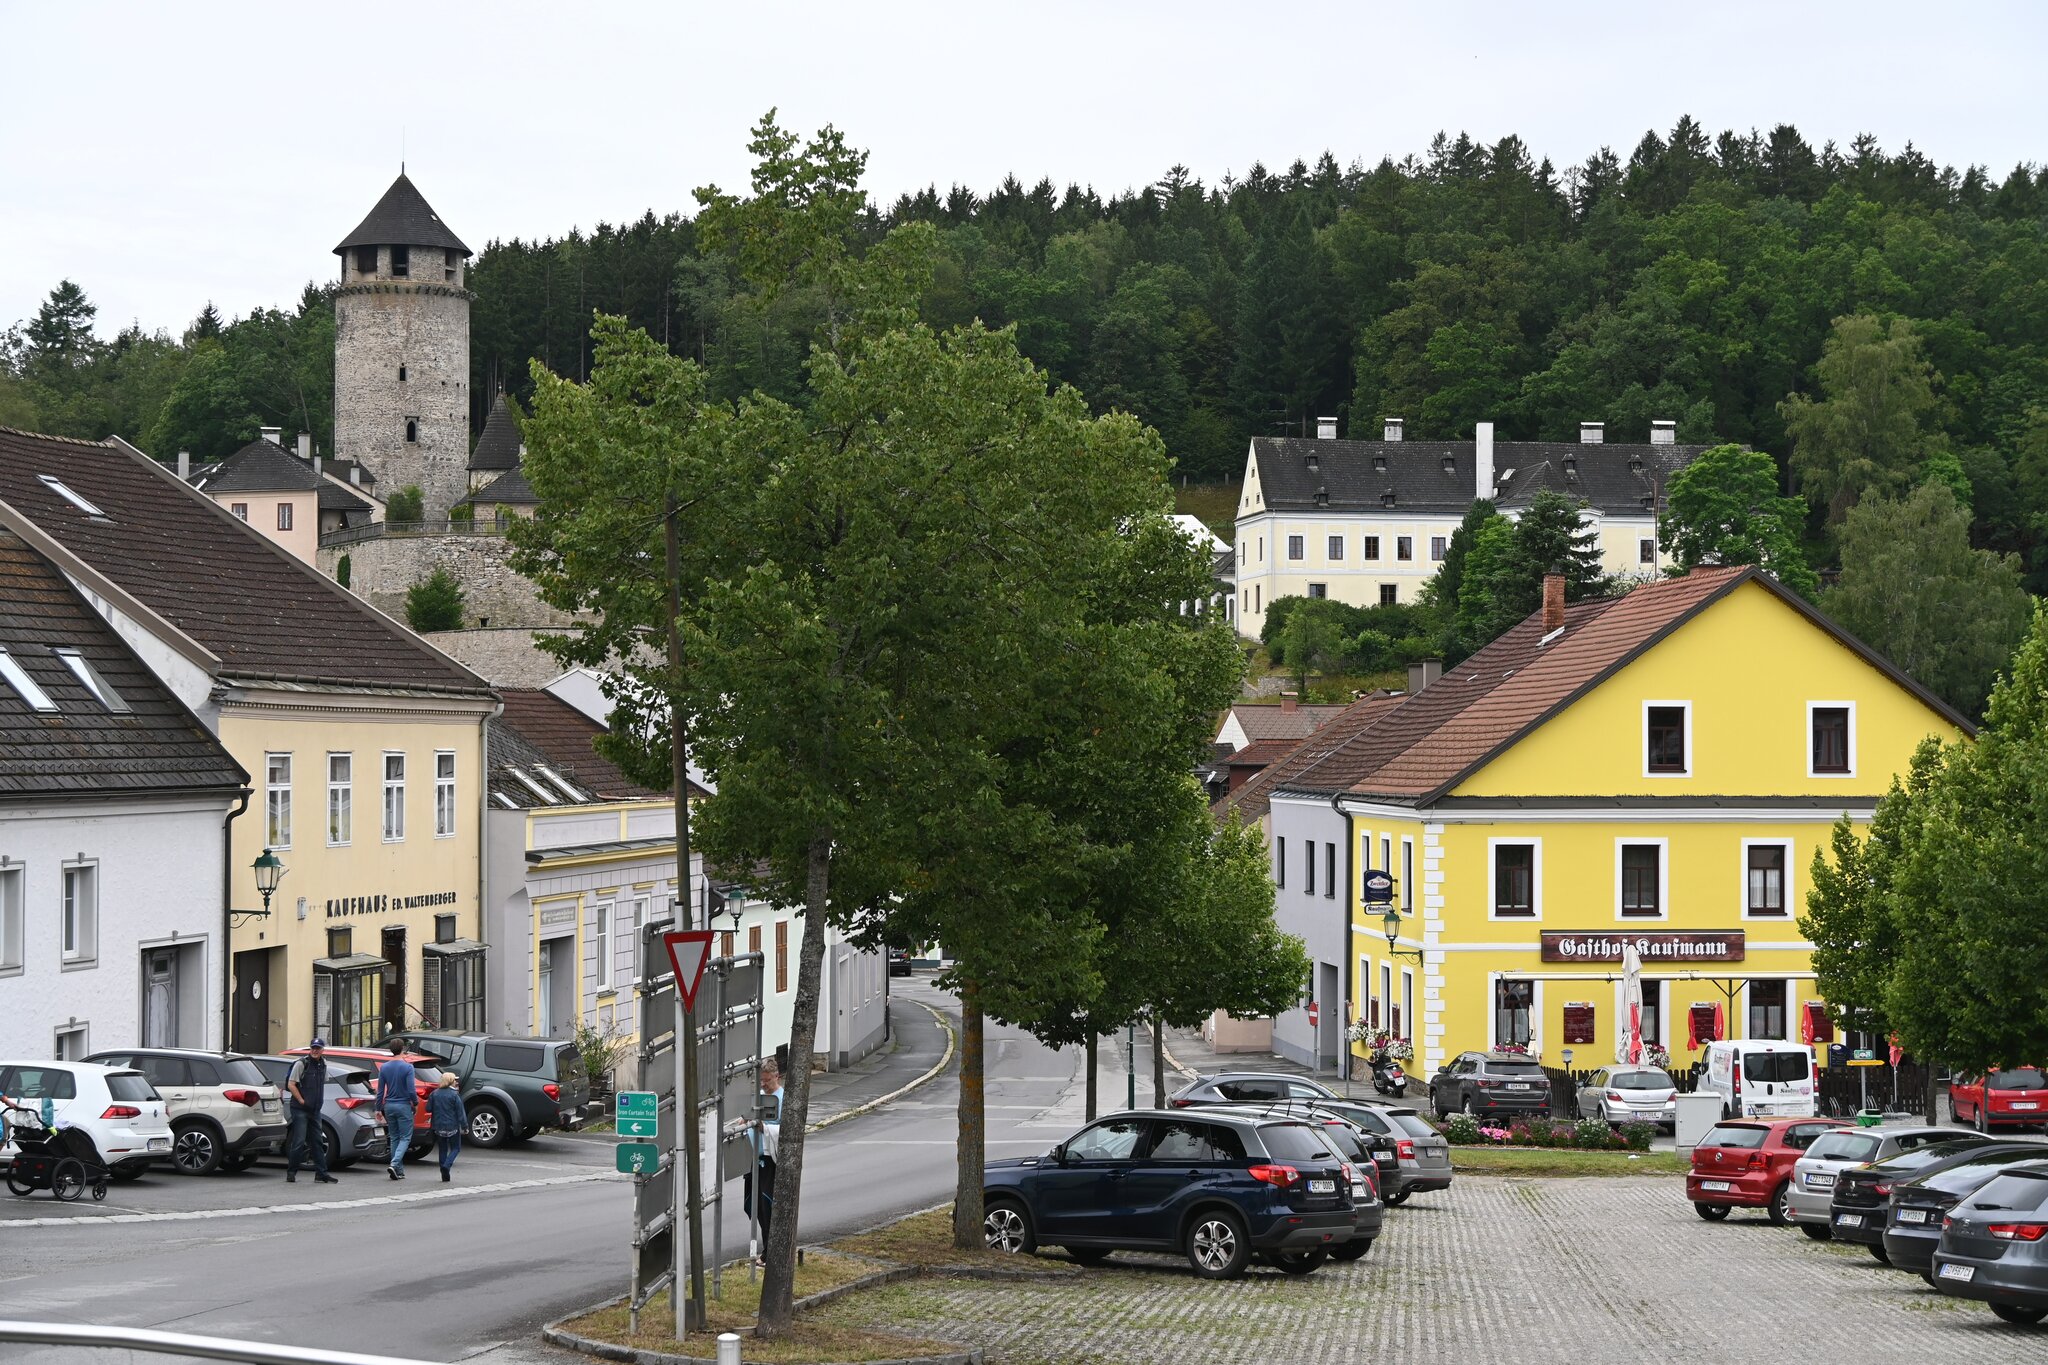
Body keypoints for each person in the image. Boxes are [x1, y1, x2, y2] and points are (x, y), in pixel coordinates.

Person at [284, 1038, 338, 1184]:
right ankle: (291, 1172)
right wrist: (302, 1100)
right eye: (313, 1048)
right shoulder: (301, 1064)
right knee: (299, 1141)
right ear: (310, 1049)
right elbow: (291, 1084)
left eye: (318, 1048)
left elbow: (323, 1082)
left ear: (322, 1050)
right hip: (300, 1109)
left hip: (315, 1110)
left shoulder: (323, 1064)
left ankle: (321, 1174)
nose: (315, 1050)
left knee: (317, 1141)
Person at [746, 1063, 784, 1264]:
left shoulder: (782, 1098)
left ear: (777, 1076)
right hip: (753, 1159)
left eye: (767, 1080)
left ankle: (769, 1253)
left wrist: (765, 1128)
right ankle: (766, 1247)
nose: (763, 1084)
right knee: (753, 1206)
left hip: (770, 1159)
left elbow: (786, 1130)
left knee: (767, 1205)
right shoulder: (758, 1097)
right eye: (761, 1080)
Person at [375, 1040, 417, 1180]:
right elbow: (411, 1089)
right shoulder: (408, 1067)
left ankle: (398, 1170)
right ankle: (394, 1163)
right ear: (403, 1049)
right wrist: (415, 1103)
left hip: (389, 1105)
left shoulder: (384, 1068)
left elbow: (380, 1091)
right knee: (405, 1137)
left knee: (394, 1137)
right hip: (403, 1105)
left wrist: (378, 1109)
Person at [428, 1073, 467, 1182]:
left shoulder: (434, 1094)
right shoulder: (455, 1095)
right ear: (450, 1081)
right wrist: (465, 1126)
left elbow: (428, 1108)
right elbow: (460, 1113)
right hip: (452, 1126)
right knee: (456, 1148)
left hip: (438, 1126)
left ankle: (443, 1172)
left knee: (442, 1149)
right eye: (455, 1080)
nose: (456, 1082)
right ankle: (447, 1165)